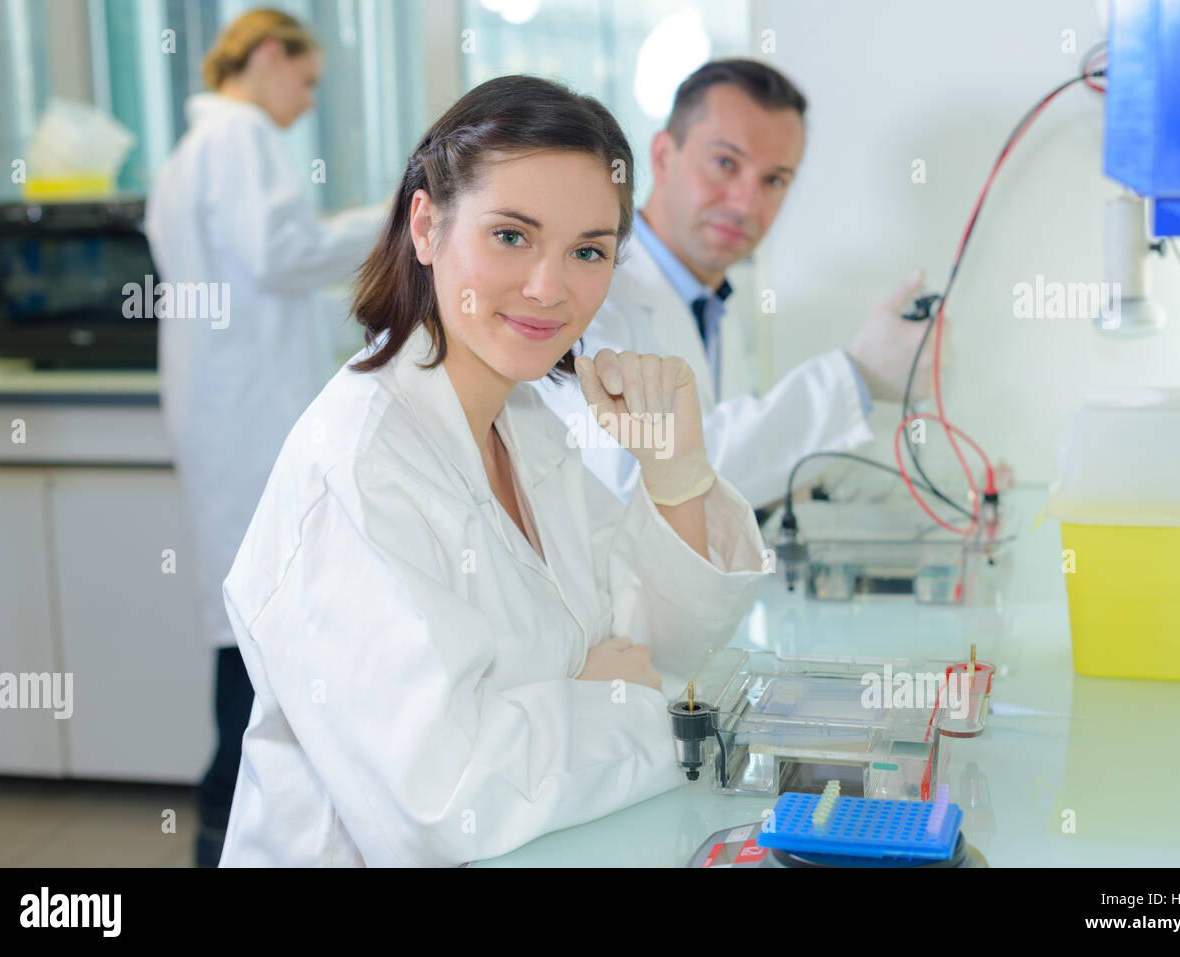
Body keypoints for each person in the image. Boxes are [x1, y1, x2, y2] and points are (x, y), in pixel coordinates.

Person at [217, 75, 770, 867]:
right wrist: (626, 705)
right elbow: (444, 800)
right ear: (427, 224)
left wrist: (675, 476)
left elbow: (662, 646)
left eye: (588, 251)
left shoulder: (524, 421)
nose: (550, 288)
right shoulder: (359, 466)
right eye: (511, 235)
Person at [145, 8, 386, 868]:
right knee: (259, 632)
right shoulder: (238, 136)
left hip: (222, 409)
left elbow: (263, 283)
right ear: (272, 56)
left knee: (242, 627)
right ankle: (223, 826)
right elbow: (280, 252)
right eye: (308, 80)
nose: (306, 101)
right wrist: (394, 213)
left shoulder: (191, 153)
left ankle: (222, 827)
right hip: (247, 415)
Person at [535, 58, 945, 509]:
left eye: (773, 180)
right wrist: (856, 377)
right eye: (725, 163)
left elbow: (724, 470)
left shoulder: (711, 307)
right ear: (662, 156)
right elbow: (640, 477)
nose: (747, 203)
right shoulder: (596, 293)